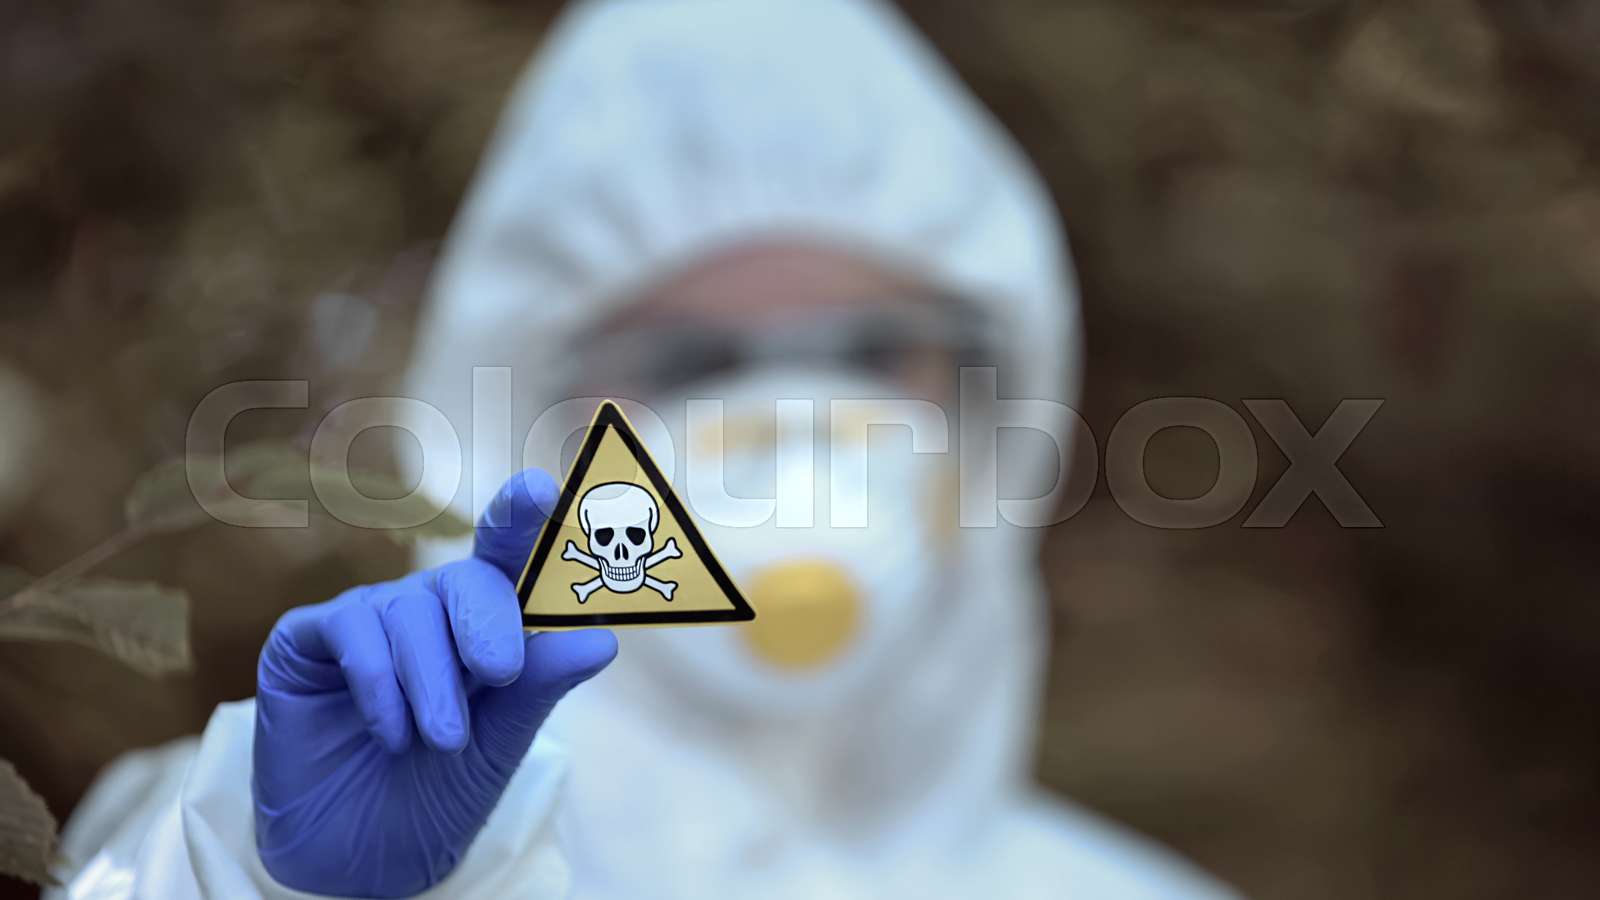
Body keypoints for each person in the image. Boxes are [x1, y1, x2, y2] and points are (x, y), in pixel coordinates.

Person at [49, 1, 1238, 897]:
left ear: (991, 406)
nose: (799, 422)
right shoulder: (217, 837)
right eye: (691, 365)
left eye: (874, 353)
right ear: (528, 424)